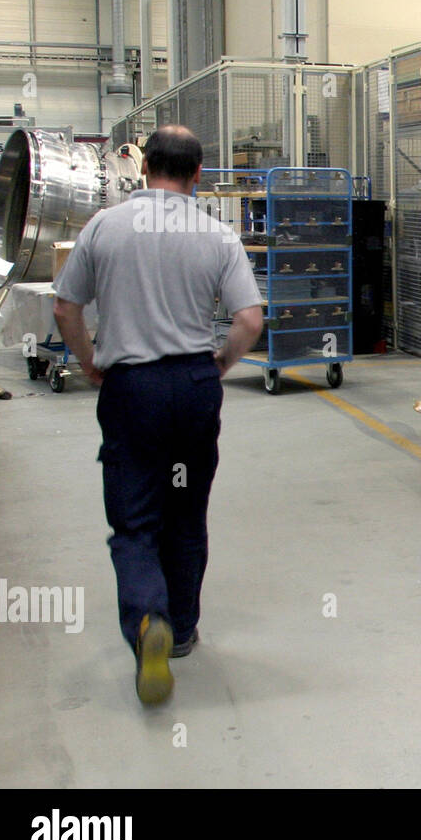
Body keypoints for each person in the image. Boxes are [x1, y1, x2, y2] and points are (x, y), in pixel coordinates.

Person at [53, 125, 263, 706]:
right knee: (186, 511)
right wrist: (218, 364)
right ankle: (185, 629)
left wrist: (90, 360)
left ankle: (149, 621)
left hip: (132, 388)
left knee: (135, 521)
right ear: (198, 175)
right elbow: (249, 320)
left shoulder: (105, 226)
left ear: (143, 168)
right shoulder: (218, 235)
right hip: (192, 387)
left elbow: (66, 307)